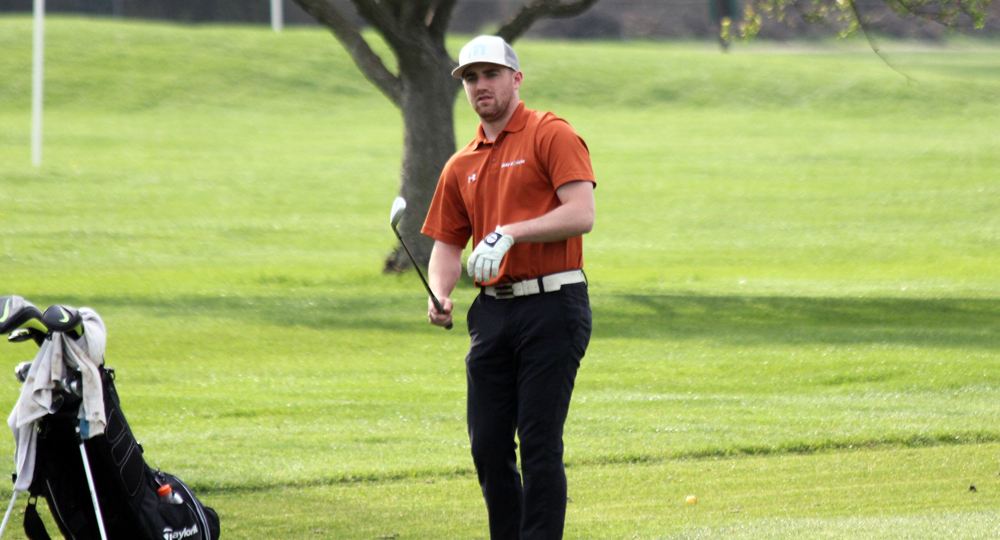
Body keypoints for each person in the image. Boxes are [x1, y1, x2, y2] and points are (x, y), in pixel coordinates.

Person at [421, 35, 596, 540]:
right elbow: (448, 245)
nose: (481, 86)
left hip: (553, 305)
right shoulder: (462, 163)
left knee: (539, 443)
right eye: (471, 78)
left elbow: (581, 214)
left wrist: (511, 230)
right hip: (492, 314)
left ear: (515, 79)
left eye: (491, 74)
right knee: (488, 445)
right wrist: (440, 293)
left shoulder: (549, 134)